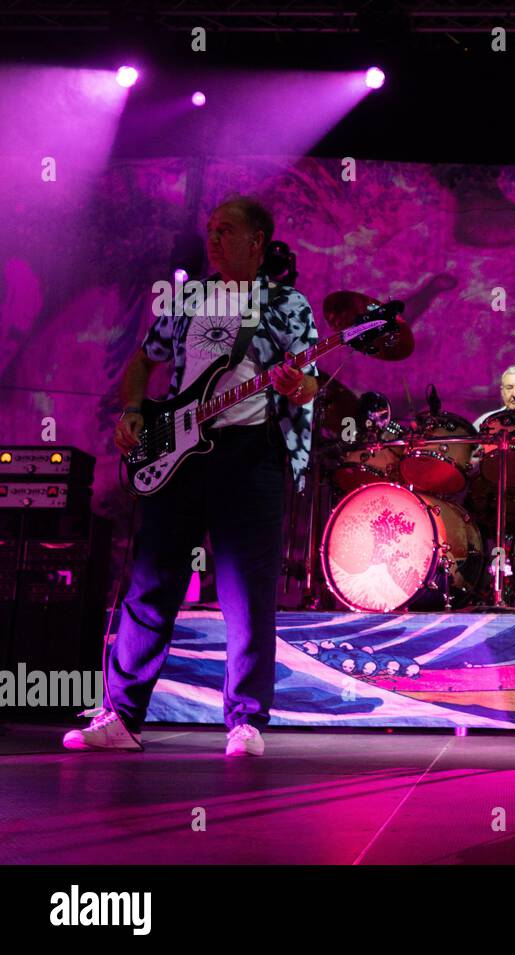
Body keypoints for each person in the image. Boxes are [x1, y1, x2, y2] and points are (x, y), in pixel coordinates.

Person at [64, 196, 320, 757]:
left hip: (249, 456)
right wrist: (133, 410)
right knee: (150, 582)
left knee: (247, 596)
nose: (213, 239)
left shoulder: (286, 305)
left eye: (226, 231)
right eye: (210, 229)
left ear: (257, 241)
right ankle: (123, 718)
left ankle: (246, 722)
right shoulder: (188, 298)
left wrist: (291, 387)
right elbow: (142, 361)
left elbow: (309, 384)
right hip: (179, 453)